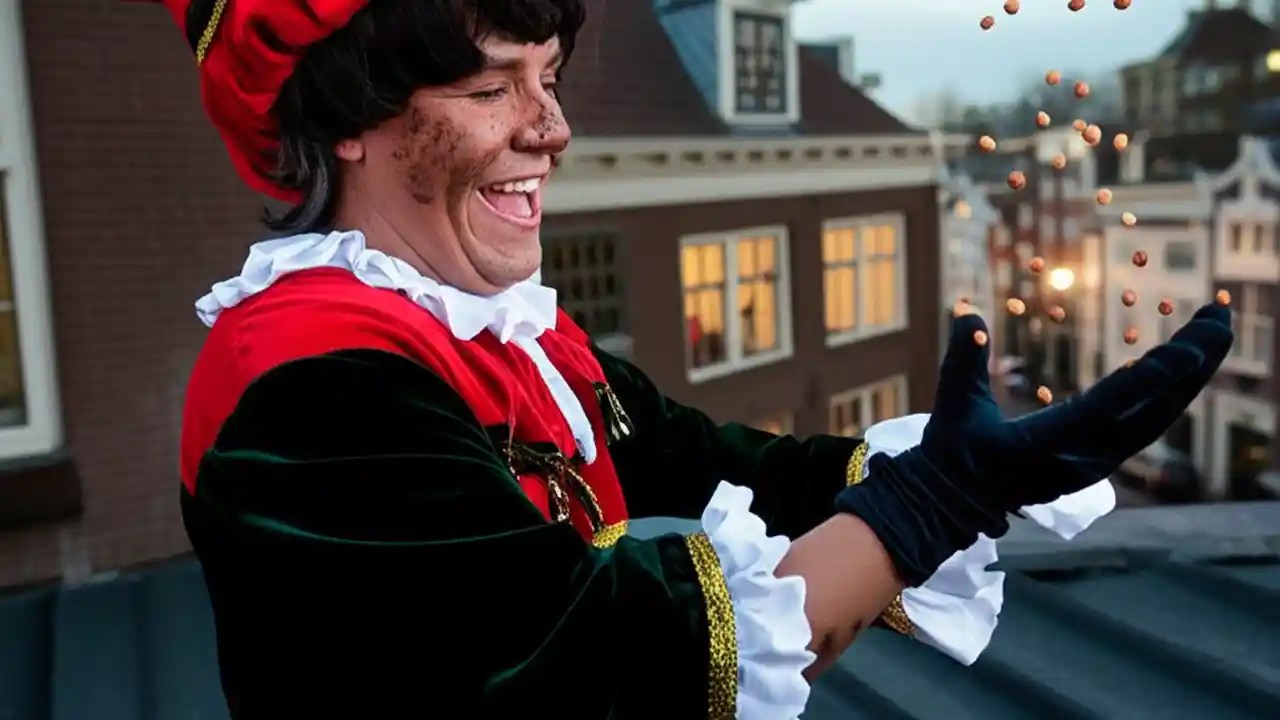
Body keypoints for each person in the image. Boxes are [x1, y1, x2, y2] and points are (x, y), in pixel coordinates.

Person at [147, 0, 1234, 717]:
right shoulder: (304, 383)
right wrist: (933, 503)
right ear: (348, 119)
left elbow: (700, 457)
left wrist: (945, 467)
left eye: (550, 77)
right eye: (491, 91)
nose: (551, 128)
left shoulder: (495, 326)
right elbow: (600, 661)